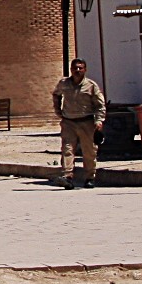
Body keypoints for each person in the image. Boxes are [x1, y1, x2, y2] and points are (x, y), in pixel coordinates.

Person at [53, 58, 105, 188]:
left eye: (80, 68)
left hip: (86, 122)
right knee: (67, 150)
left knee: (89, 151)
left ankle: (90, 177)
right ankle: (67, 176)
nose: (77, 70)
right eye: (75, 68)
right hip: (68, 123)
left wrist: (99, 121)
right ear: (71, 69)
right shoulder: (64, 83)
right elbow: (56, 95)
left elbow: (100, 105)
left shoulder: (91, 86)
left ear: (85, 70)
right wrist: (58, 111)